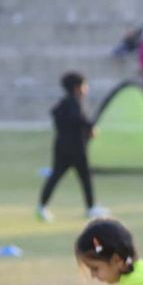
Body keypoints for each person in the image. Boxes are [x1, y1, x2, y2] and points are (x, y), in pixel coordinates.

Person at [37, 72, 99, 223]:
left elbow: (56, 115)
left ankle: (42, 206)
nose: (86, 88)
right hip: (76, 147)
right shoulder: (74, 103)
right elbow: (79, 120)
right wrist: (90, 128)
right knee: (85, 177)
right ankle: (90, 208)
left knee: (56, 175)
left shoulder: (64, 103)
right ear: (77, 87)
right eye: (84, 85)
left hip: (61, 145)